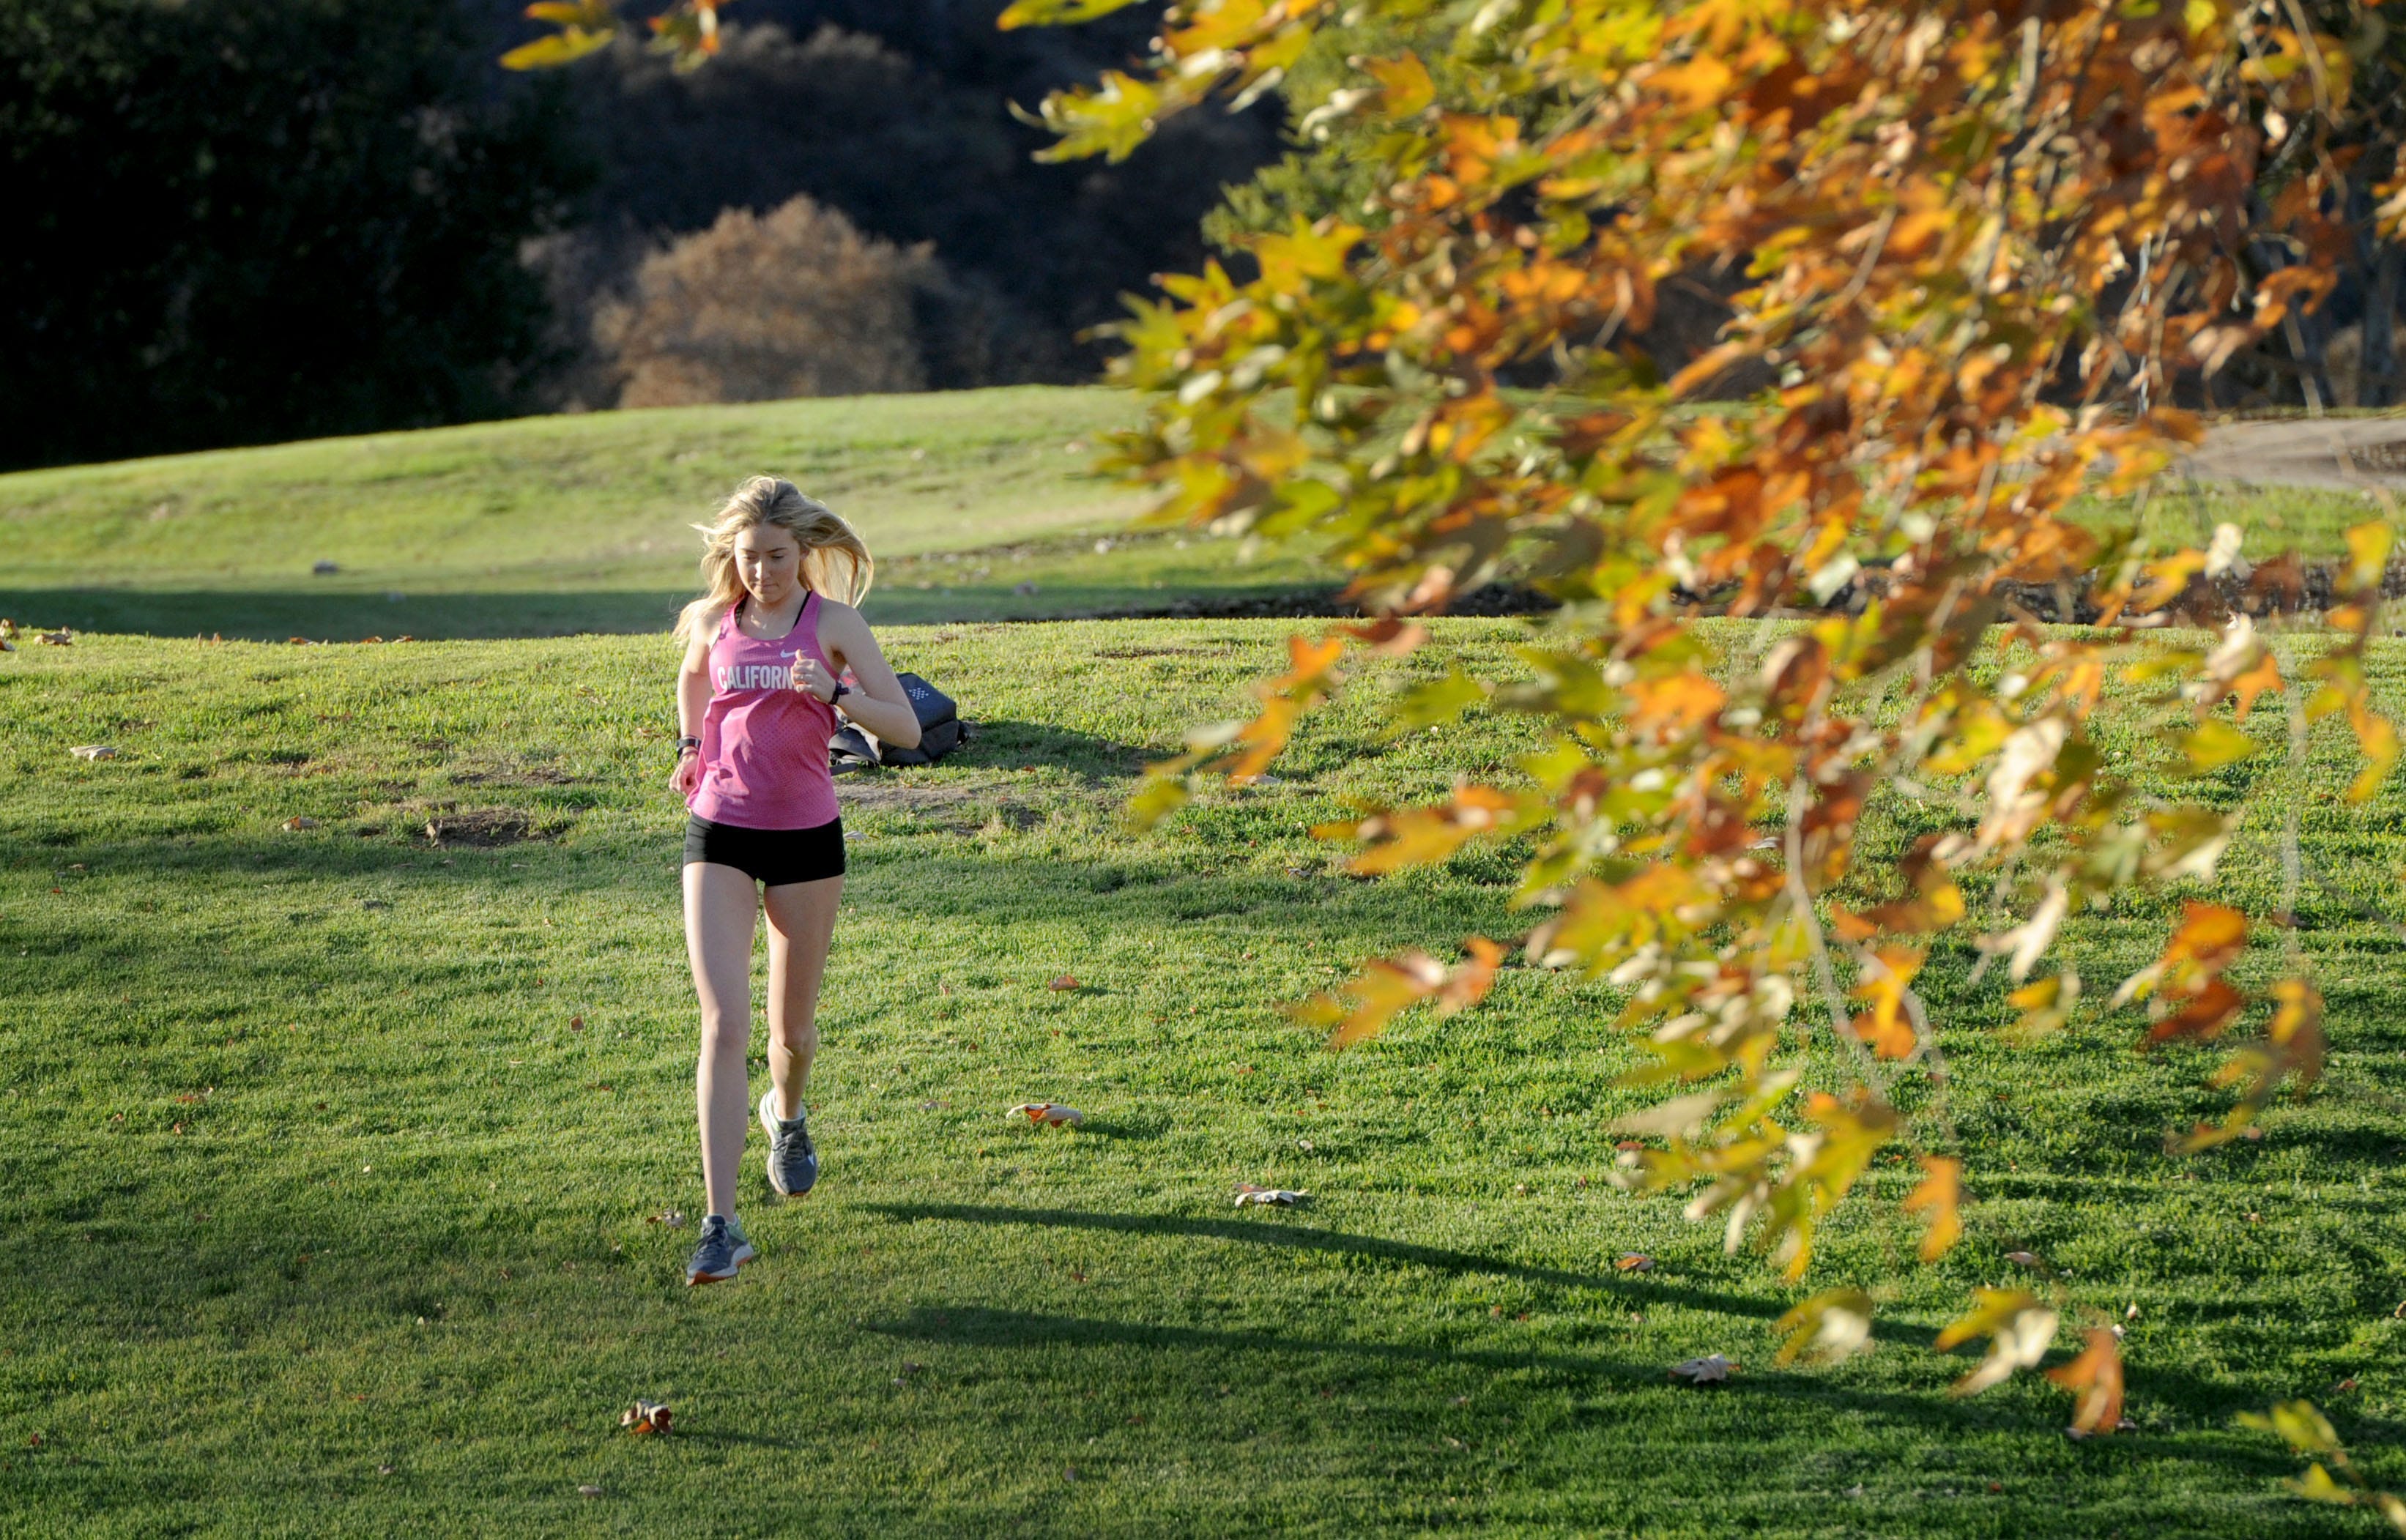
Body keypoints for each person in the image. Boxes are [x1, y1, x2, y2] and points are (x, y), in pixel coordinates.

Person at [668, 476, 921, 1285]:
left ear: (802, 553)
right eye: (748, 559)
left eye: (777, 558)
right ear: (732, 556)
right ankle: (721, 1224)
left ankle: (790, 1114)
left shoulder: (835, 625)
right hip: (720, 831)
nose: (763, 574)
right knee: (722, 1026)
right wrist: (688, 749)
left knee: (791, 1036)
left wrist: (840, 694)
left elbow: (908, 727)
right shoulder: (716, 621)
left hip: (808, 839)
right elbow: (694, 679)